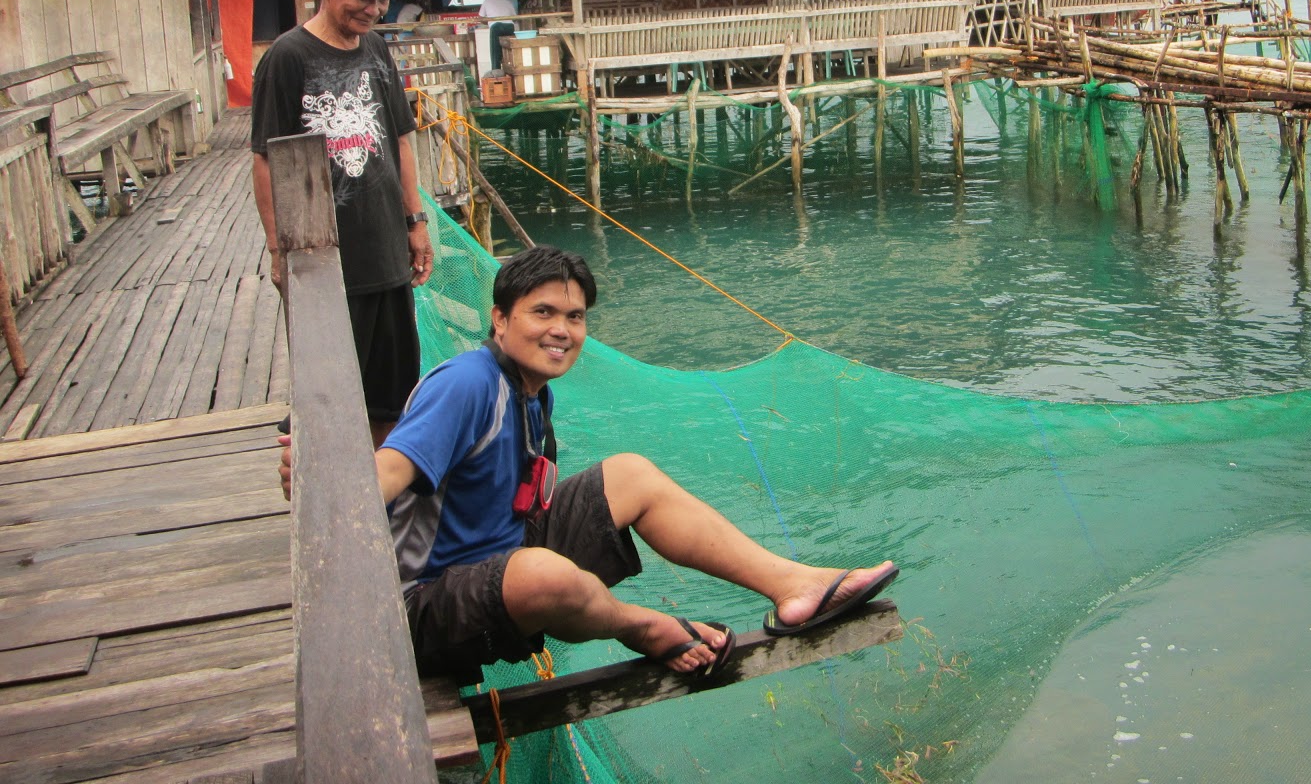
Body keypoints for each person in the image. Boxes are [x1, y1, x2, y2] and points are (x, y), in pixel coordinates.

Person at [278, 244, 898, 682]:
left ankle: (795, 585)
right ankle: (642, 626)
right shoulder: (468, 384)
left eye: (574, 317)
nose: (562, 331)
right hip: (418, 605)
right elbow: (388, 471)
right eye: (542, 313)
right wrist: (322, 483)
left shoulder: (531, 392)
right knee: (541, 574)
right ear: (499, 319)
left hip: (502, 552)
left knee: (628, 474)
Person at [252, 0, 434, 443]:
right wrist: (277, 249)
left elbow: (399, 139)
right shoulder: (287, 58)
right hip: (323, 254)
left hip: (385, 248)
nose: (375, 8)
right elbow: (265, 160)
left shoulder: (376, 48)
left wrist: (415, 221)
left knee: (392, 396)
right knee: (327, 390)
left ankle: (381, 499)